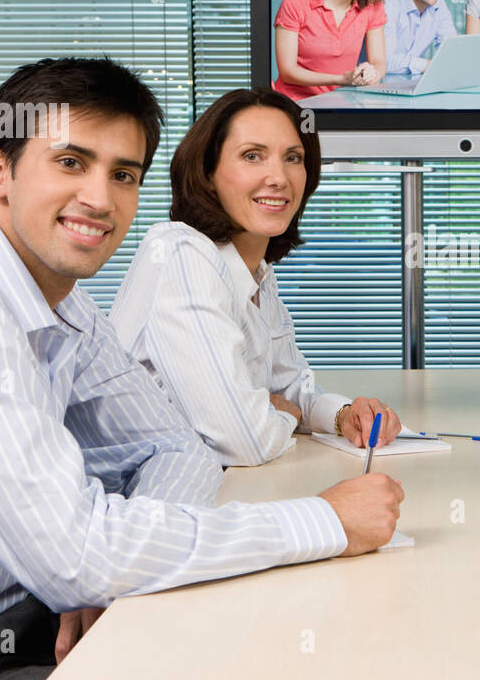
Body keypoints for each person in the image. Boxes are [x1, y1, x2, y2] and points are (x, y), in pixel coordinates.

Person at [0, 58, 403, 680]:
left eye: (123, 174)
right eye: (70, 162)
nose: (99, 198)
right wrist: (324, 521)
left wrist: (115, 567)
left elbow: (179, 449)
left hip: (12, 620)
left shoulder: (62, 304)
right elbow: (79, 553)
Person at [111, 88, 404, 464]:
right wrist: (284, 414)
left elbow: (291, 386)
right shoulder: (181, 253)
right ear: (208, 172)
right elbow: (247, 440)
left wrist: (343, 415)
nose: (278, 177)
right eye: (252, 156)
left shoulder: (258, 276)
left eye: (293, 158)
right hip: (144, 504)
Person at [272, 0, 399, 102]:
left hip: (342, 101)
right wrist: (342, 79)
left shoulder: (372, 8)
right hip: (295, 103)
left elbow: (379, 62)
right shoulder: (295, 4)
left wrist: (372, 72)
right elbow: (288, 72)